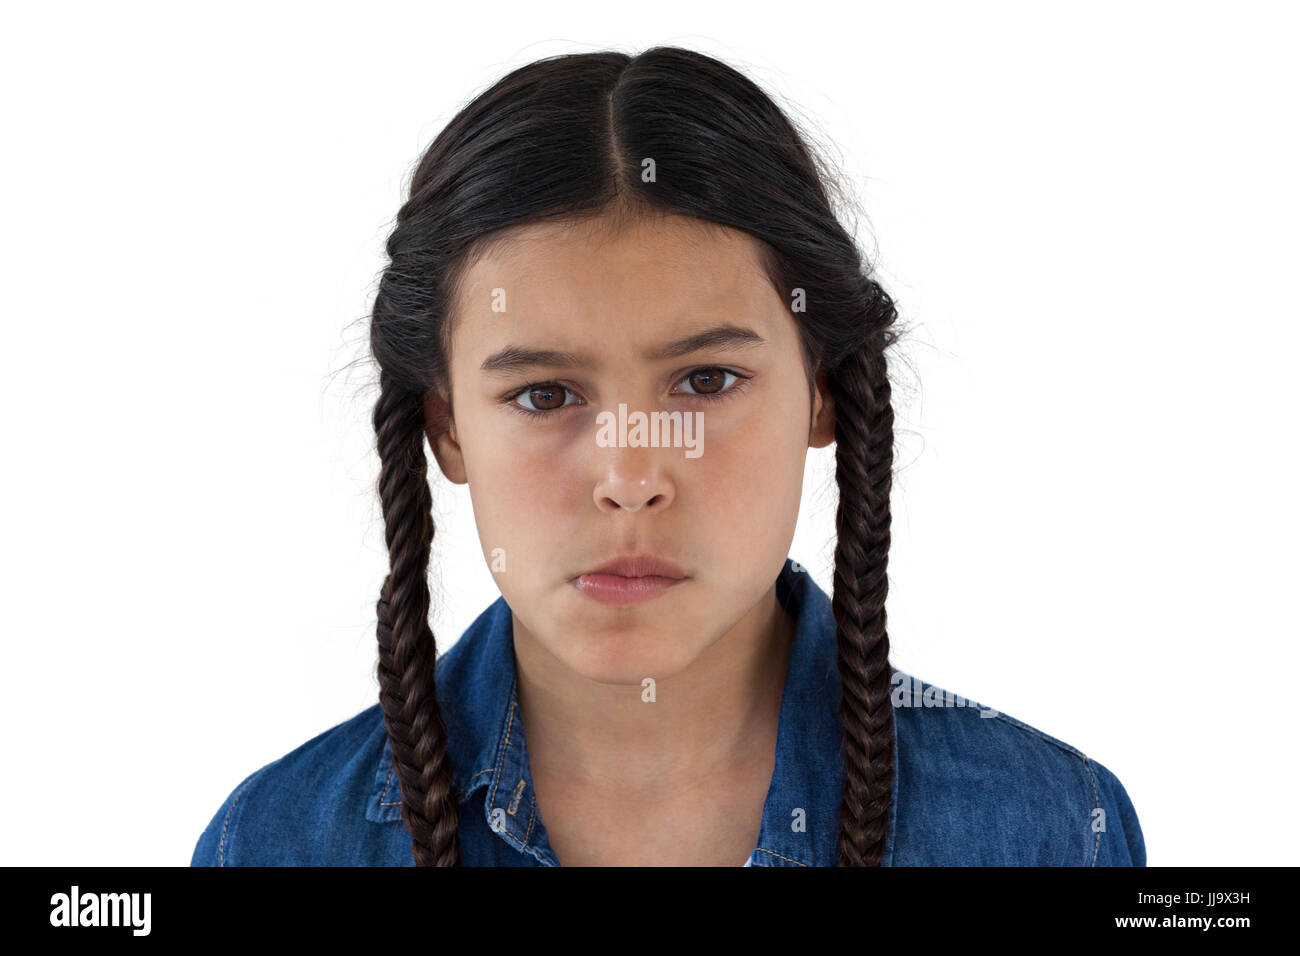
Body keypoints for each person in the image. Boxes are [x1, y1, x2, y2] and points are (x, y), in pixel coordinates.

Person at [191, 46, 1144, 867]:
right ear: (446, 428)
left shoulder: (1054, 831)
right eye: (544, 395)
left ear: (821, 391)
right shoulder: (275, 841)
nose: (631, 478)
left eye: (705, 382)